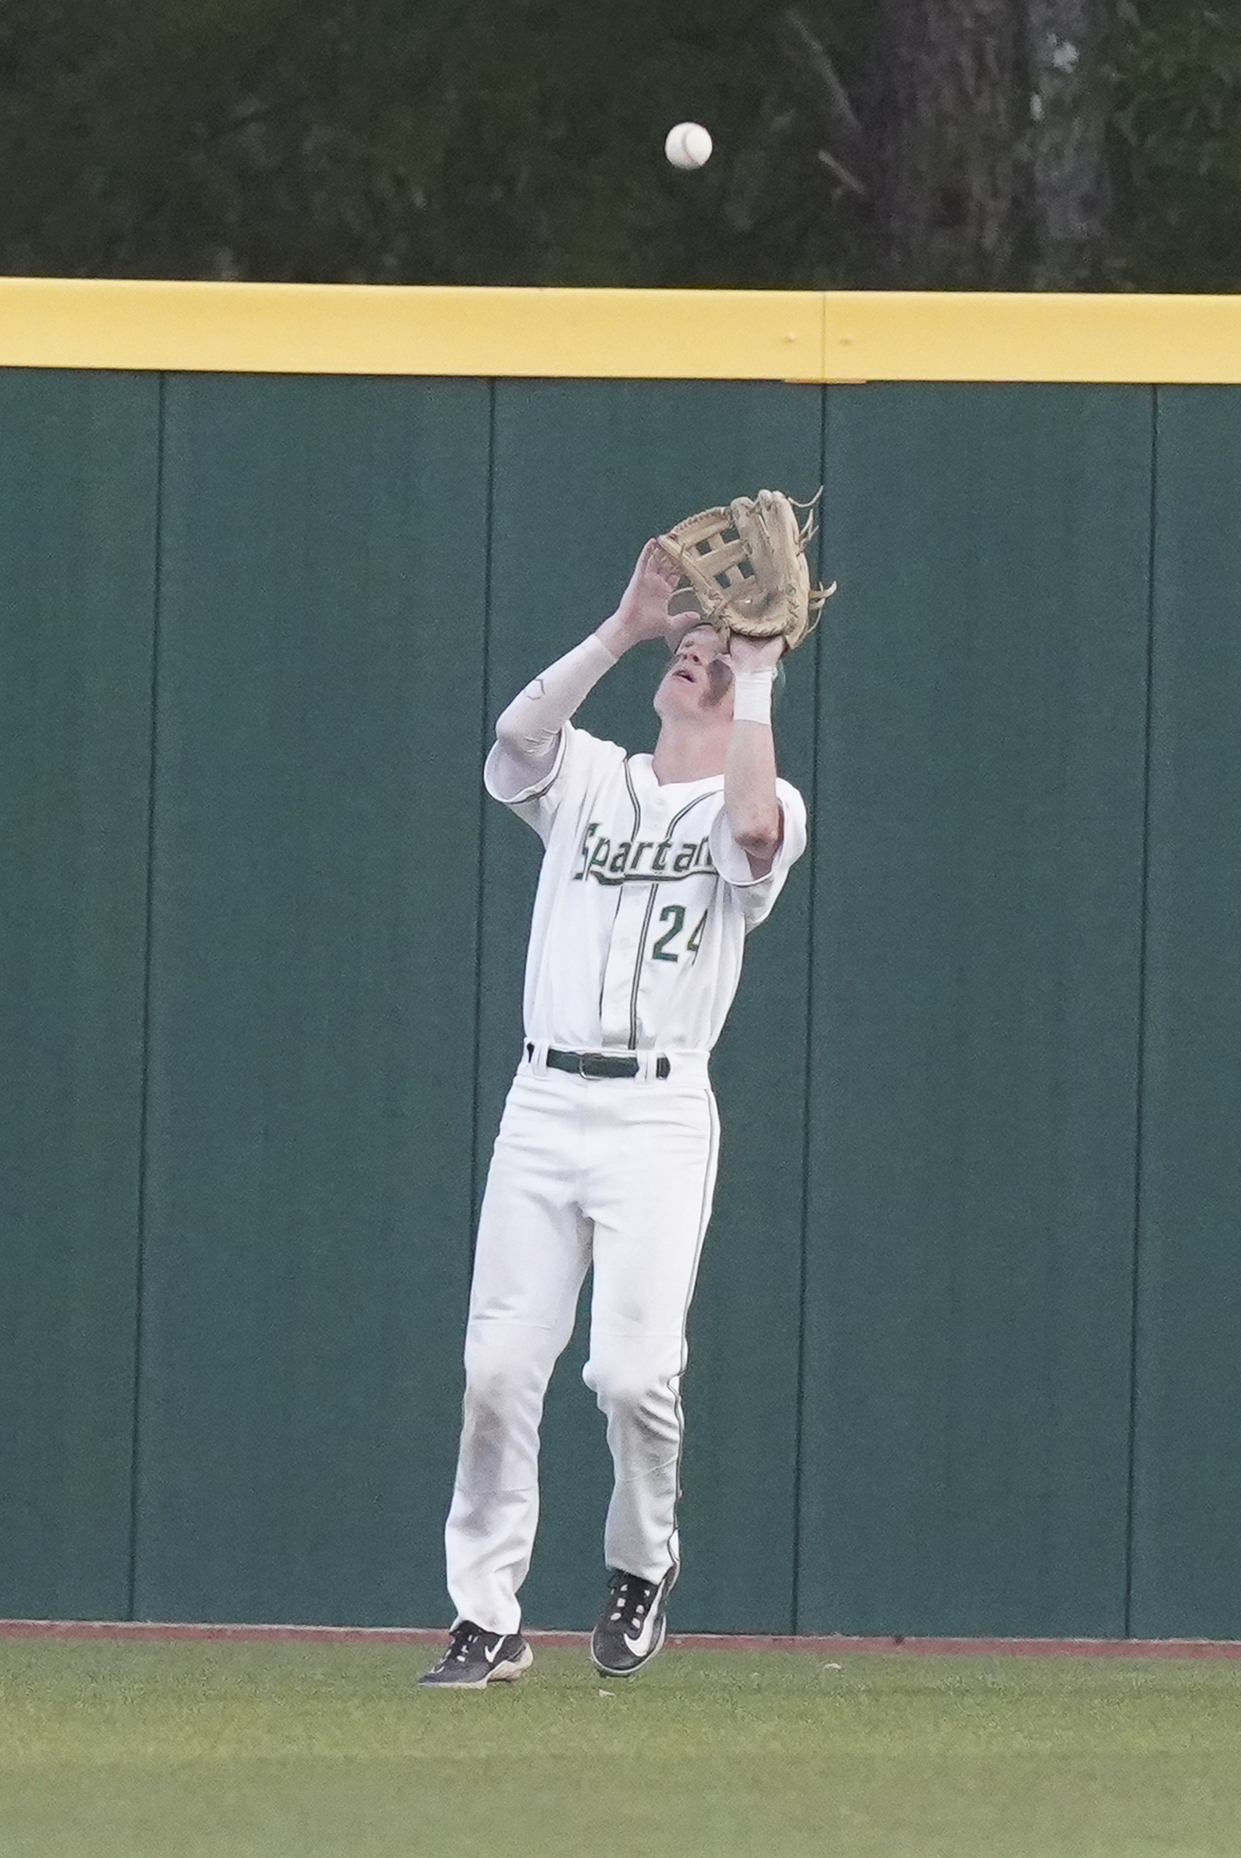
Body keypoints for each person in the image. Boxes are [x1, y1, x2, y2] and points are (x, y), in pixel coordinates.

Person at [419, 539, 808, 1688]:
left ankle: (641, 1561)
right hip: (543, 1100)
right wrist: (622, 627)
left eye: (707, 657)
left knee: (631, 1375)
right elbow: (515, 738)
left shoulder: (767, 792)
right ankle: (485, 1618)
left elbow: (746, 835)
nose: (692, 660)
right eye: (685, 651)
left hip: (655, 1114)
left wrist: (761, 673)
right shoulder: (591, 776)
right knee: (497, 1367)